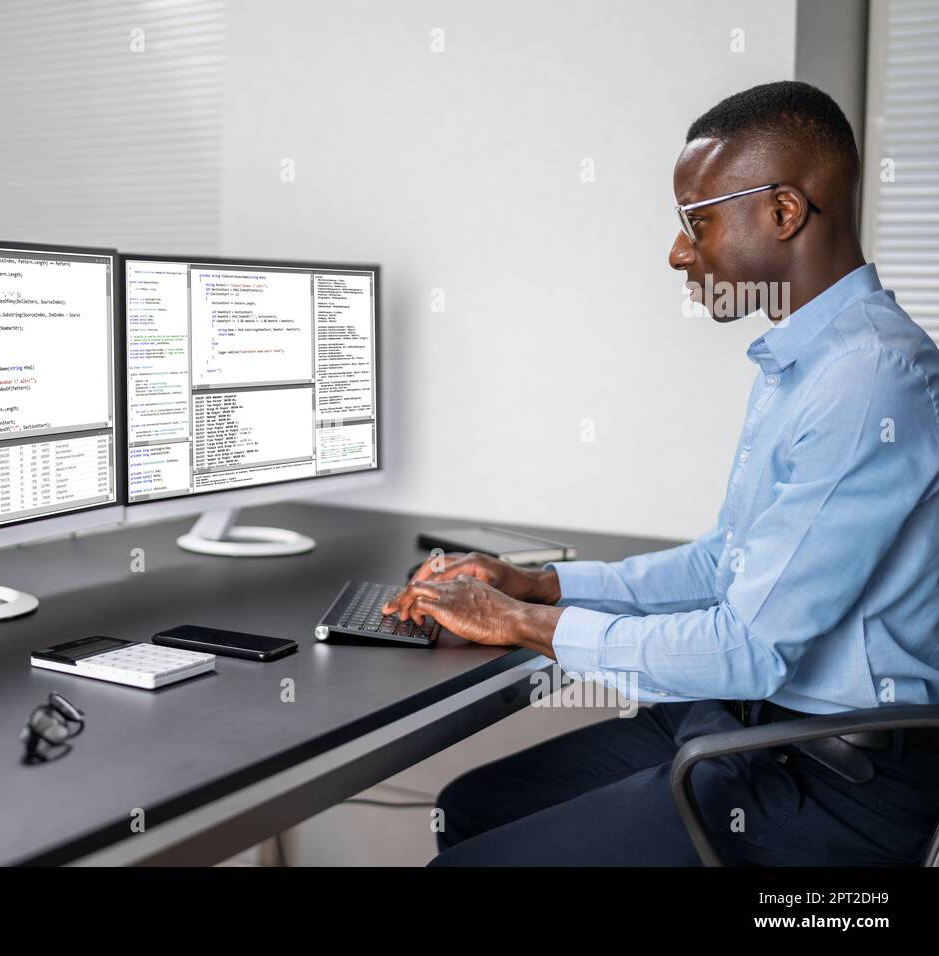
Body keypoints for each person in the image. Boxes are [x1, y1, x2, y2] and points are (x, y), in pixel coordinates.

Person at [382, 81, 939, 866]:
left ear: (784, 212)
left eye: (697, 221)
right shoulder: (807, 360)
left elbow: (751, 645)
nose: (678, 251)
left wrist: (519, 625)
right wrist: (541, 587)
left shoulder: (868, 377)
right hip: (749, 728)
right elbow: (724, 564)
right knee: (468, 810)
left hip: (829, 784)